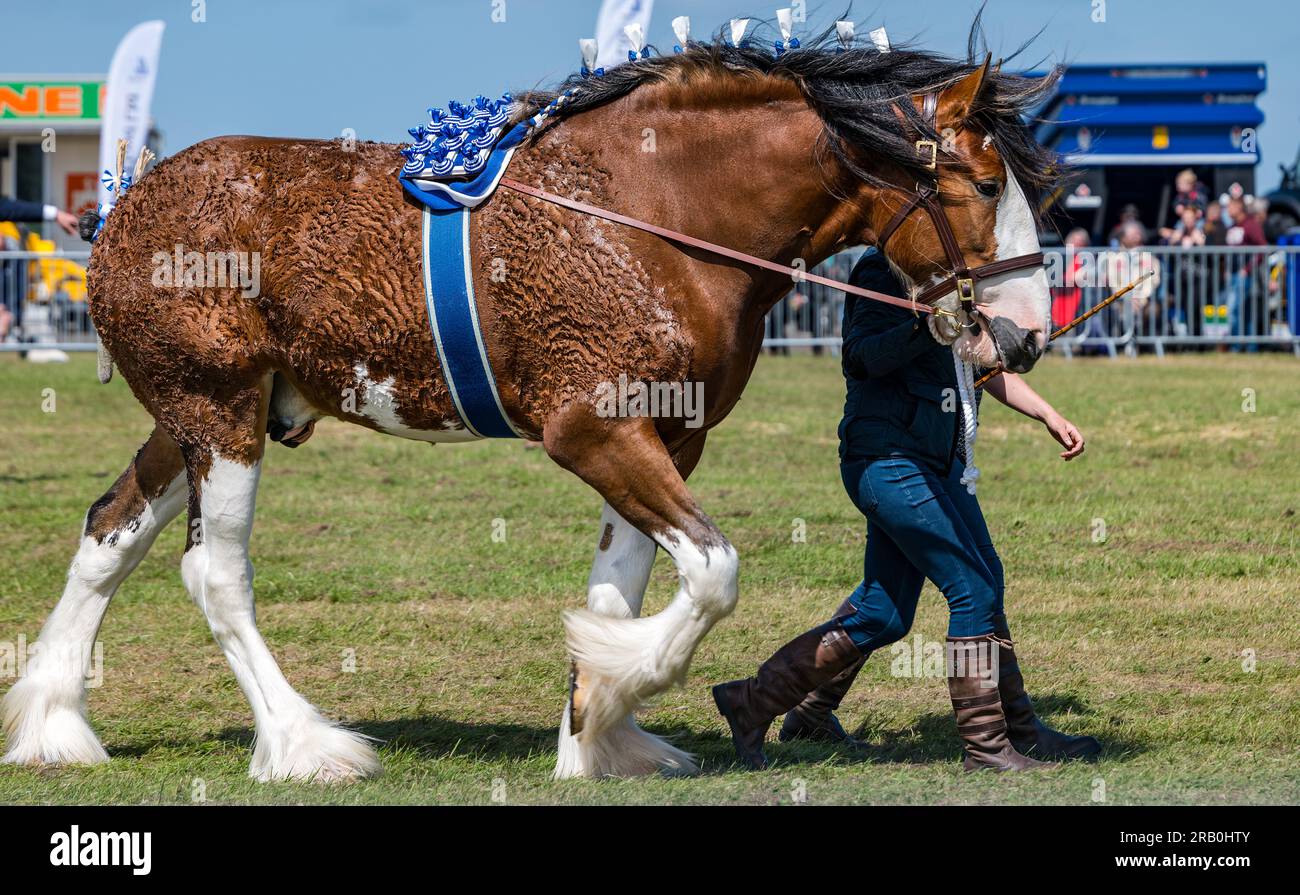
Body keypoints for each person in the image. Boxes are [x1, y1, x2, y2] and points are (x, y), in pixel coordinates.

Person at [712, 248, 1101, 772]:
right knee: (974, 589)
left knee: (885, 612)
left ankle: (760, 705)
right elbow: (862, 356)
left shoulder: (955, 282)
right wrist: (929, 329)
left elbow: (981, 365)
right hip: (889, 461)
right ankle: (989, 748)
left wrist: (1048, 413)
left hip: (934, 464)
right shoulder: (882, 271)